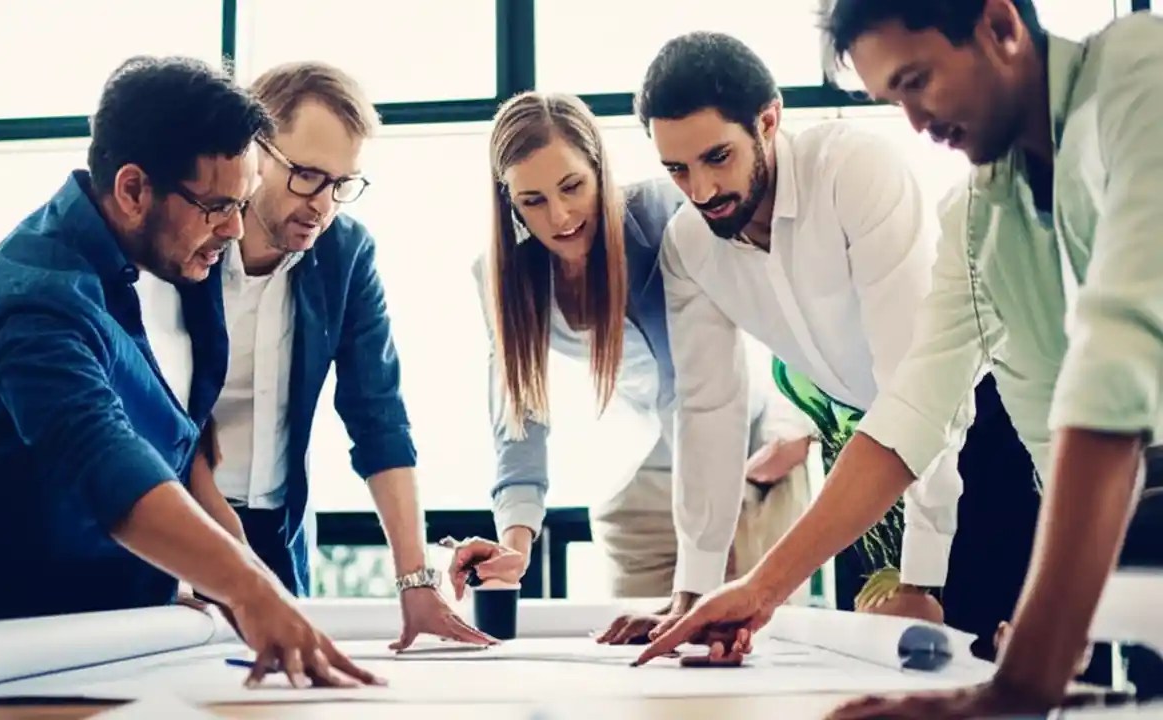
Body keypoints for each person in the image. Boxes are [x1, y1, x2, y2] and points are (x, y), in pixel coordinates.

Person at [634, 4, 1163, 717]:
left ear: (1000, 27)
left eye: (919, 81)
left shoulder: (1140, 73)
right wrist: (758, 588)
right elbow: (911, 411)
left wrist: (1020, 679)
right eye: (895, 98)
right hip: (1118, 516)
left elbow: (1118, 352)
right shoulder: (976, 218)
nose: (916, 122)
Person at [0, 55, 380, 689]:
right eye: (218, 205)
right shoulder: (34, 291)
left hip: (123, 637)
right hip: (6, 652)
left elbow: (178, 441)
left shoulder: (176, 265)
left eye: (242, 204)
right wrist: (249, 589)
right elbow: (103, 461)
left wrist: (248, 578)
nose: (236, 229)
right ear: (134, 189)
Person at [597, 30, 989, 639]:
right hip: (861, 459)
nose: (700, 191)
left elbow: (920, 391)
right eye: (677, 169)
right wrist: (692, 591)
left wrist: (920, 579)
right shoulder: (689, 246)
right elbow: (708, 410)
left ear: (769, 121)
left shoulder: (854, 173)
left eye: (717, 158)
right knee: (873, 684)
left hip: (981, 427)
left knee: (1012, 674)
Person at [444, 91, 815, 606]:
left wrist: (798, 423)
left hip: (753, 466)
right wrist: (516, 546)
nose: (560, 216)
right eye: (533, 201)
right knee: (639, 665)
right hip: (641, 486)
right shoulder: (503, 279)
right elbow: (519, 424)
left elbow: (785, 314)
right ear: (510, 202)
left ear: (599, 168)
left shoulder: (668, 218)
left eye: (572, 186)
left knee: (764, 652)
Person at [184, 61, 492, 651]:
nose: (322, 205)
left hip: (276, 535)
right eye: (306, 175)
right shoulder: (186, 241)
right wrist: (227, 559)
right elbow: (156, 414)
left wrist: (414, 581)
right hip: (178, 524)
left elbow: (378, 415)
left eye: (341, 184)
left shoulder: (346, 255)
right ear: (252, 150)